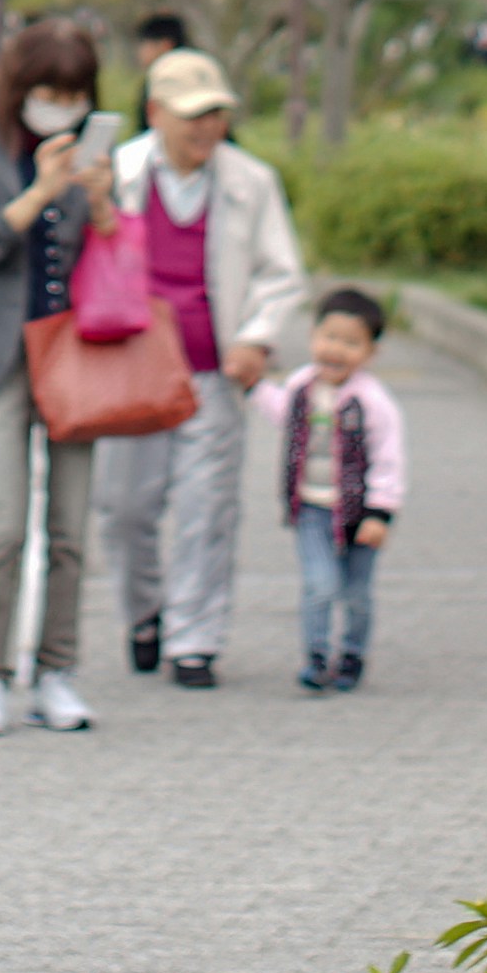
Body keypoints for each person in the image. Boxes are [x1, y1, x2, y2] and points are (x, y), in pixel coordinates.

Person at [98, 47, 310, 688]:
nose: (204, 128)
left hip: (212, 372)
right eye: (191, 115)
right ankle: (144, 614)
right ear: (156, 112)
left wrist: (256, 338)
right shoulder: (114, 172)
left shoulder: (250, 180)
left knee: (206, 508)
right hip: (132, 370)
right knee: (125, 508)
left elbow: (281, 272)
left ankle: (195, 640)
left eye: (215, 115)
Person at [0, 16, 115, 737]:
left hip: (75, 352)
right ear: (19, 88)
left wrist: (99, 200)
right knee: (2, 526)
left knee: (69, 528)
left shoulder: (93, 153)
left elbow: (113, 254)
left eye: (74, 95)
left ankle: (57, 673)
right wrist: (40, 192)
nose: (61, 108)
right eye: (48, 92)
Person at [262, 285, 408, 692]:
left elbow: (389, 459)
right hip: (312, 506)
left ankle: (353, 653)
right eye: (329, 338)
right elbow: (281, 414)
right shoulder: (302, 387)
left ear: (370, 353)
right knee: (320, 583)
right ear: (312, 338)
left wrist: (381, 512)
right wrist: (255, 387)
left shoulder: (374, 402)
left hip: (360, 512)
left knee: (356, 592)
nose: (336, 351)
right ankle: (316, 656)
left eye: (351, 343)